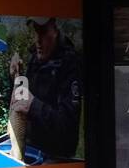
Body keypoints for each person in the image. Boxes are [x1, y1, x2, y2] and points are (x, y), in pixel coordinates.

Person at [8, 16, 82, 159]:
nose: (37, 40)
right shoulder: (34, 58)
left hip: (56, 159)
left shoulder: (71, 64)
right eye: (35, 32)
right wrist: (16, 76)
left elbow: (67, 127)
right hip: (31, 152)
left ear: (55, 30)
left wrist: (33, 105)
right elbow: (22, 102)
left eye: (42, 32)